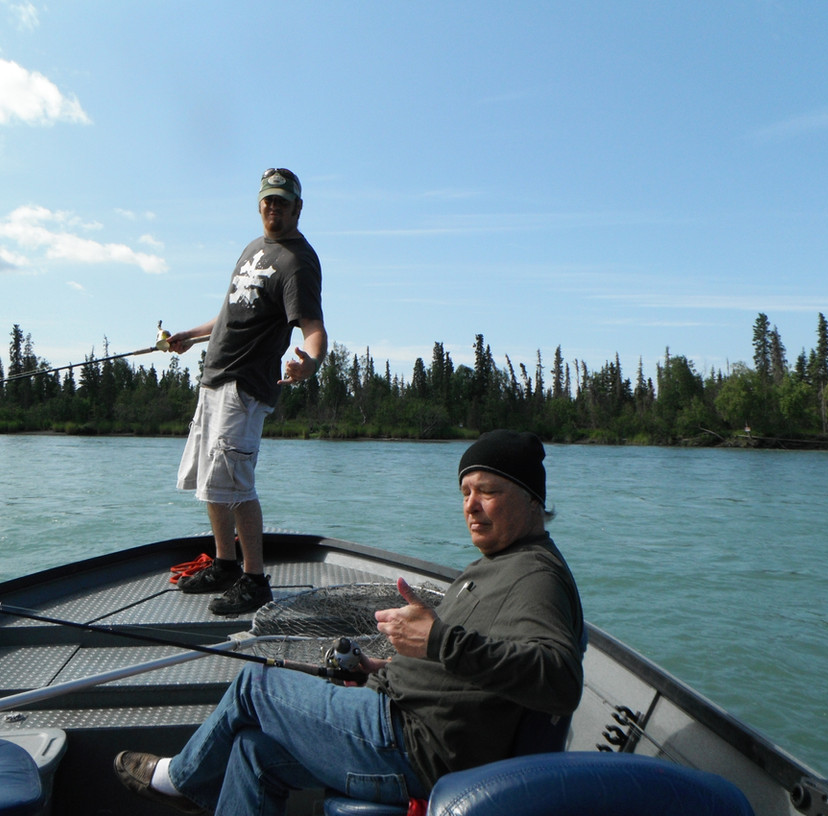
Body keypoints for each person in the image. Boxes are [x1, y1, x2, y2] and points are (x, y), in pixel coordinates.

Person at [113, 429, 586, 816]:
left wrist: (438, 639)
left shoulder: (535, 577)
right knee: (253, 751)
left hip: (412, 746)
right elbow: (468, 669)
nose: (471, 505)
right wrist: (380, 669)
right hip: (403, 725)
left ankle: (180, 781)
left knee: (256, 683)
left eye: (489, 491)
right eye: (465, 492)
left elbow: (560, 681)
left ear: (531, 499)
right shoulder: (501, 563)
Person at [168, 168, 327, 616]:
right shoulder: (252, 249)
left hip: (245, 386)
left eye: (283, 202)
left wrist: (309, 363)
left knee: (236, 484)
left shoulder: (298, 262)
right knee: (212, 481)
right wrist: (190, 336)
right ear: (260, 204)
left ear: (297, 208)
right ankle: (225, 564)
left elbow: (314, 327)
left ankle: (254, 580)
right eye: (268, 200)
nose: (274, 208)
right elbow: (229, 316)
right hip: (215, 377)